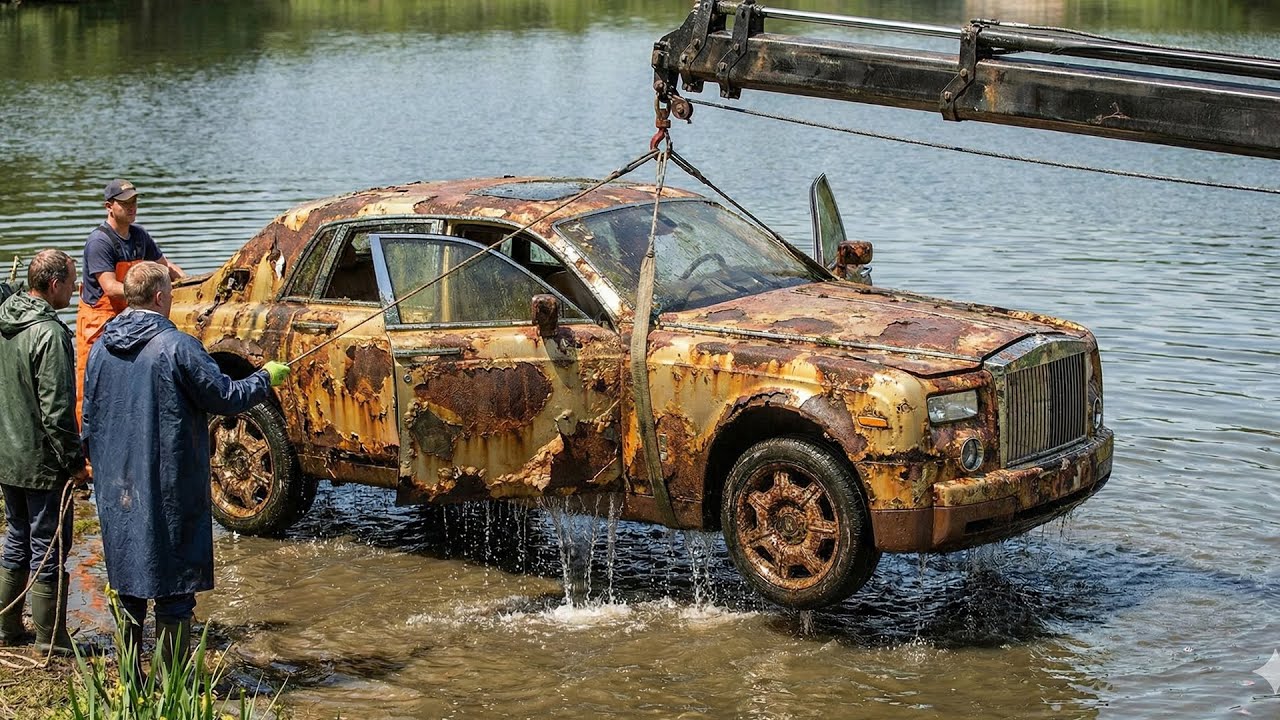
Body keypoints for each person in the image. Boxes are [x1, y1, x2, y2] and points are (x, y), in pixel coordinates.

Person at [81, 262, 289, 673]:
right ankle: (173, 684)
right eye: (170, 294)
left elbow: (89, 417)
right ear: (160, 297)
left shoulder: (101, 346)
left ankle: (130, 679)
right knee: (174, 590)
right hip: (168, 482)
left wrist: (95, 469)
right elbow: (225, 397)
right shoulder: (178, 346)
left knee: (127, 585)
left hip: (118, 484)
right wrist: (265, 378)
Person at [0, 249, 88, 655]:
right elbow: (56, 412)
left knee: (17, 535)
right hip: (39, 461)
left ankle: (8, 626)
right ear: (54, 285)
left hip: (7, 455)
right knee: (48, 546)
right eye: (72, 281)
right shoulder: (49, 334)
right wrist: (75, 464)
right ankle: (50, 640)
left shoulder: (6, 318)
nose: (76, 287)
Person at [75, 179, 187, 423]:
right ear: (109, 206)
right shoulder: (99, 242)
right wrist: (145, 294)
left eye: (134, 201)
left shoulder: (139, 236)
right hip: (98, 322)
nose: (132, 207)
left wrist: (189, 282)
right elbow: (111, 288)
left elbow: (165, 267)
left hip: (129, 319)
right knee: (91, 385)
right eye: (125, 203)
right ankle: (87, 454)